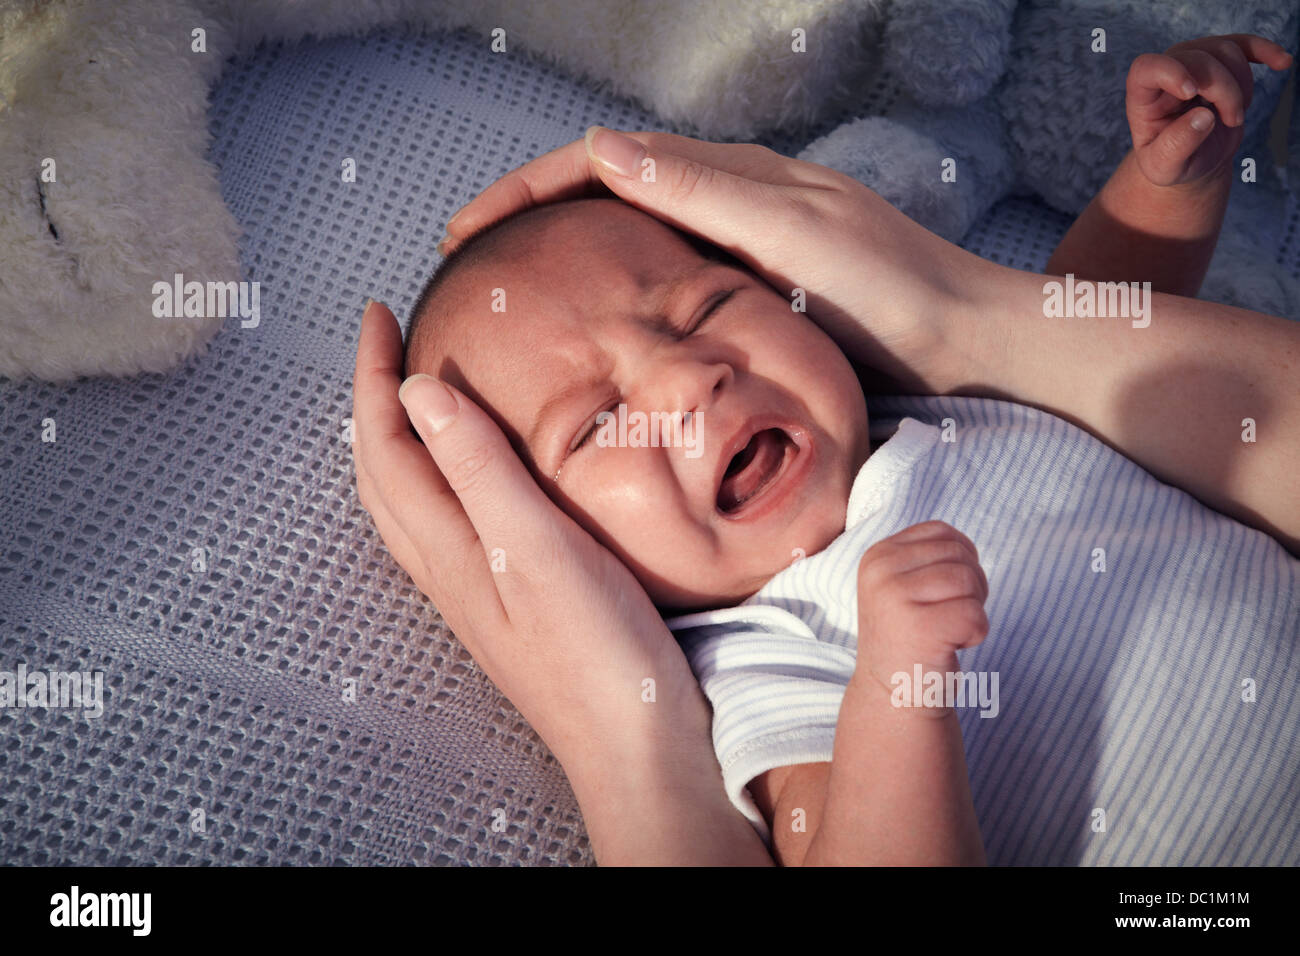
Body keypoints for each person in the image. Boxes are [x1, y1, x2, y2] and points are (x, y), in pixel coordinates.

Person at [353, 34, 1298, 865]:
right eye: (597, 423)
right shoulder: (757, 656)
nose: (690, 381)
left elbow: (1091, 355)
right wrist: (896, 686)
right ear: (557, 542)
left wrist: (1171, 185)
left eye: (705, 307)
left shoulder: (901, 397)